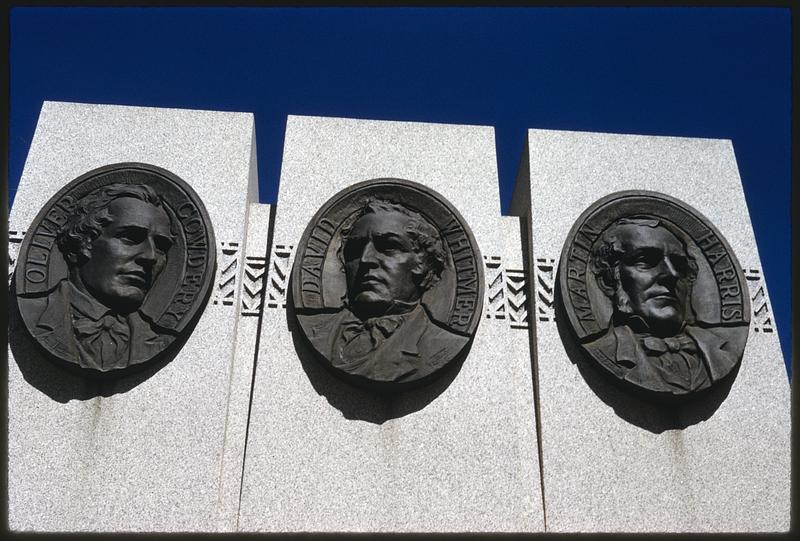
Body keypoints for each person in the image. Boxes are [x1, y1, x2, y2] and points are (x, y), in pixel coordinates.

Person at [298, 199, 468, 383]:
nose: (365, 259)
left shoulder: (441, 343)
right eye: (355, 249)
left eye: (388, 247)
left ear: (422, 262)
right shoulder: (318, 331)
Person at [24, 183, 176, 371]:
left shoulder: (152, 336)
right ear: (83, 242)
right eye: (130, 237)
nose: (151, 256)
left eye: (161, 246)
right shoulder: (37, 312)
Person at [585, 216, 739, 394]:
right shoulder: (604, 349)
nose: (672, 274)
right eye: (645, 261)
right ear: (610, 278)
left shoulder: (721, 350)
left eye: (678, 264)